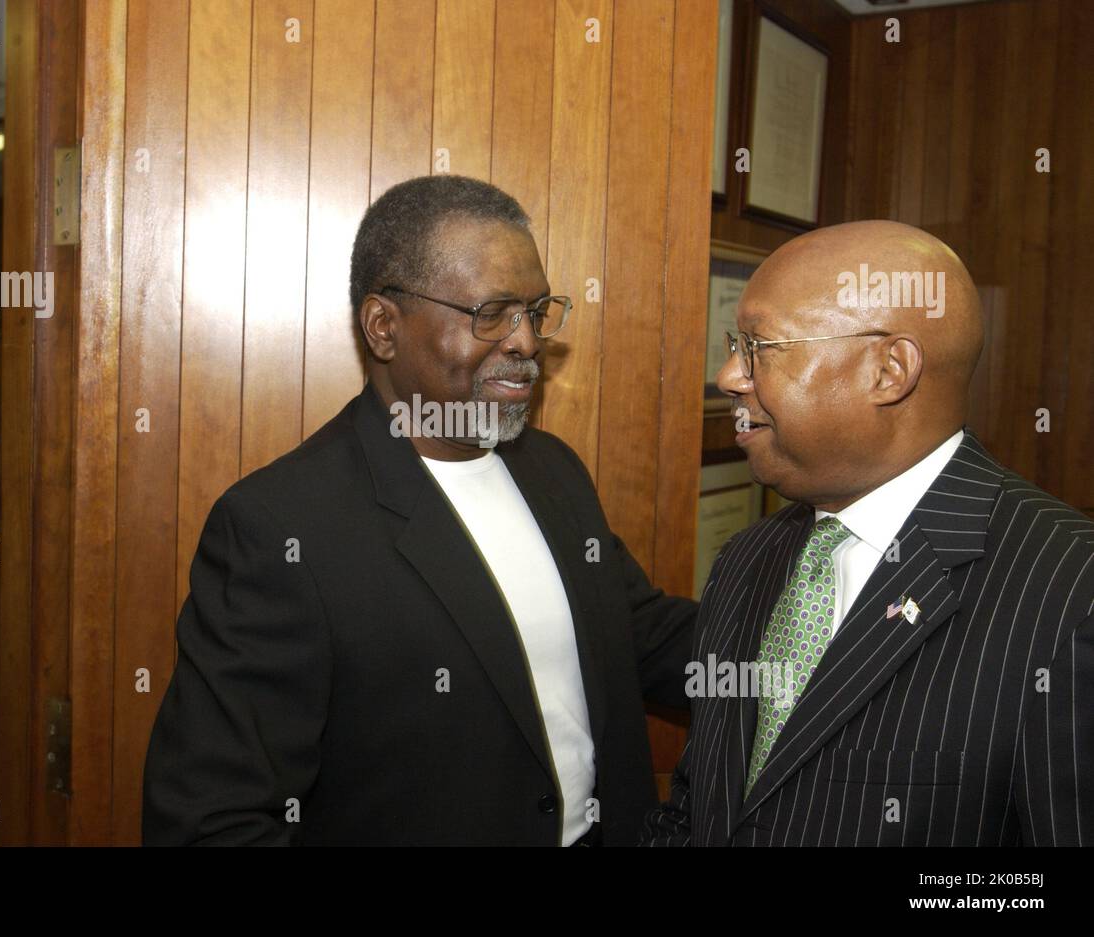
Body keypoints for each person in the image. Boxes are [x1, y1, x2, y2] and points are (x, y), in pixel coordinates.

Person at [143, 175, 697, 845]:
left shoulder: (554, 471)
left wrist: (810, 639)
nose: (526, 341)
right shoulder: (280, 528)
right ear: (383, 326)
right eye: (492, 312)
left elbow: (634, 629)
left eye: (537, 310)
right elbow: (211, 821)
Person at [642, 220, 1093, 846]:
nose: (729, 376)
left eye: (757, 347)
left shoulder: (1069, 589)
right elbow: (698, 805)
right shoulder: (749, 557)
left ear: (888, 371)